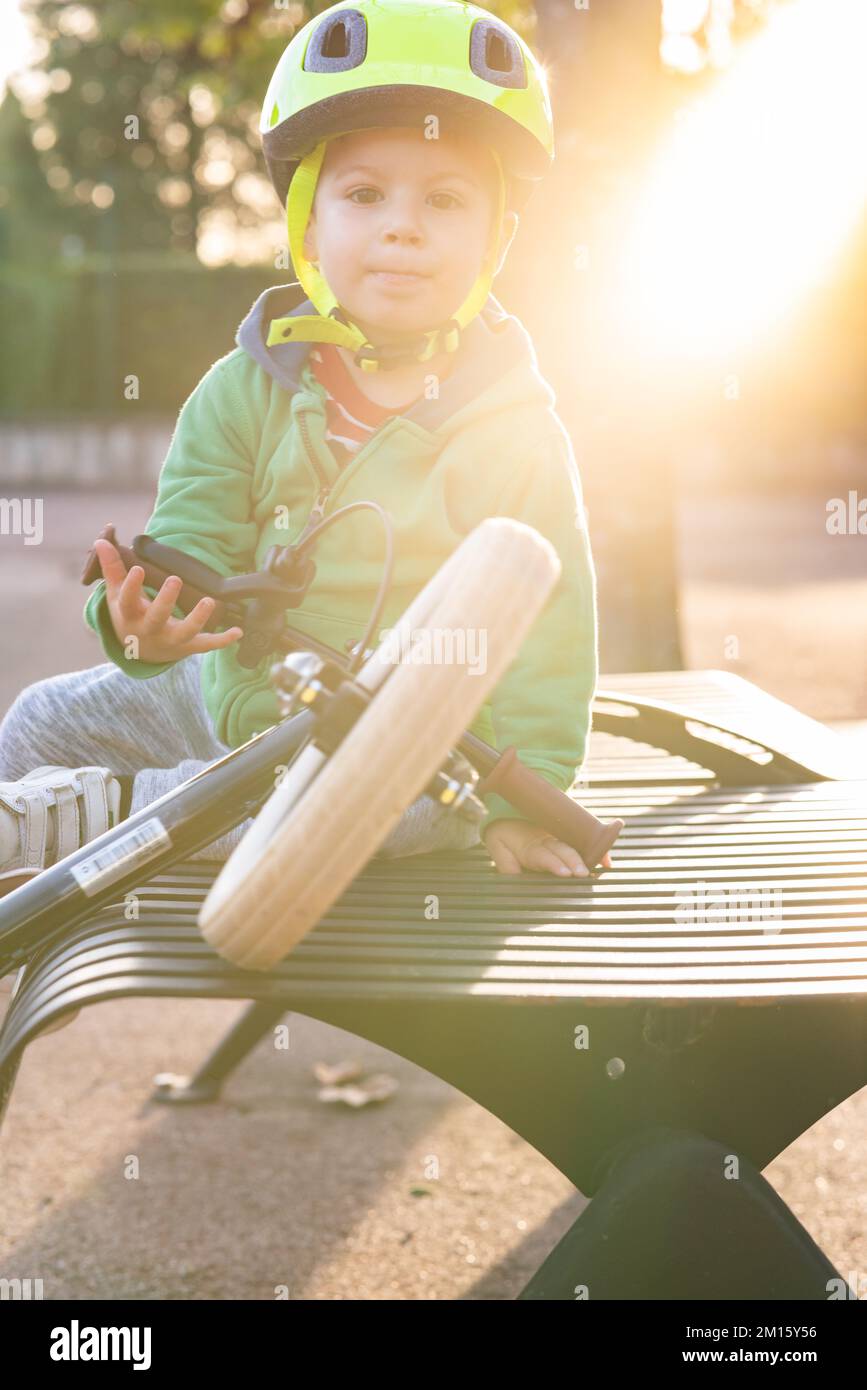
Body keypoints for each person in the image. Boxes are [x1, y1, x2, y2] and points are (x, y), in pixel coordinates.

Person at [0, 0, 609, 899]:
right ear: (307, 223)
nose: (402, 226)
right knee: (40, 715)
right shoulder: (242, 391)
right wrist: (141, 629)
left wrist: (528, 795)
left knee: (364, 806)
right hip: (223, 693)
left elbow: (551, 636)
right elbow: (191, 540)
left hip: (399, 738)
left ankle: (106, 814)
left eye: (443, 200)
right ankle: (55, 835)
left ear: (495, 238)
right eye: (364, 195)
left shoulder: (514, 430)